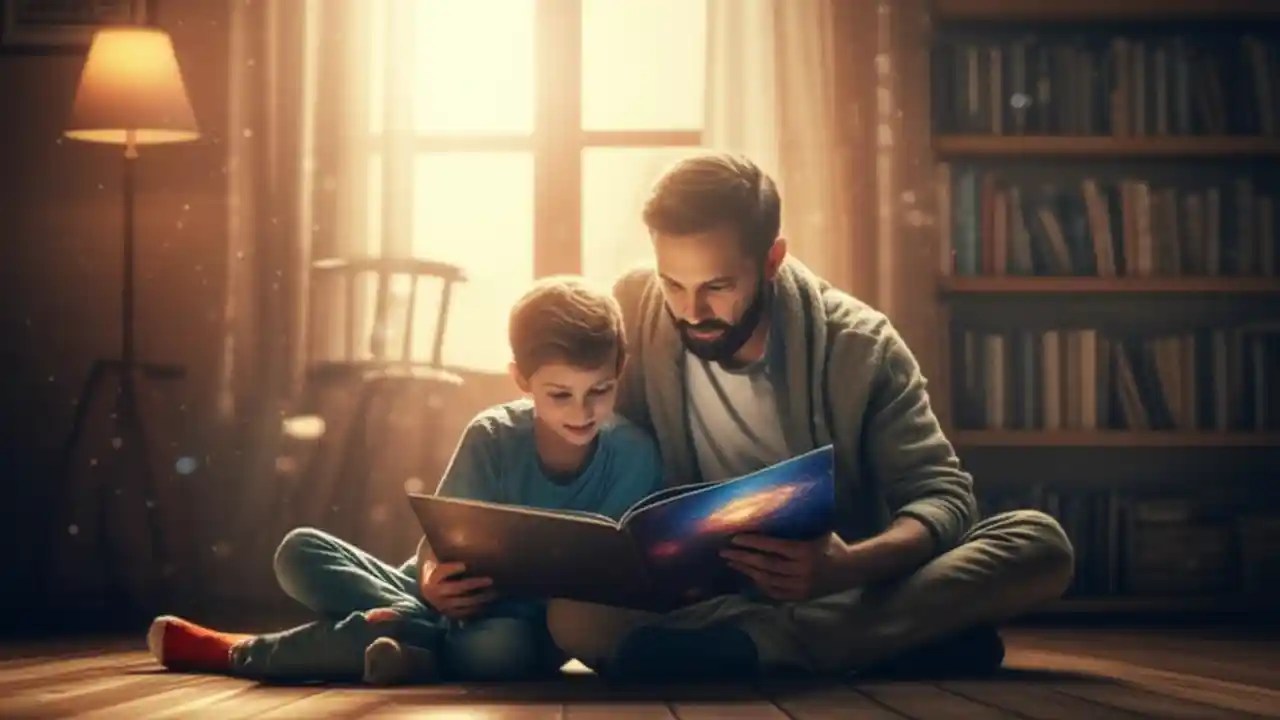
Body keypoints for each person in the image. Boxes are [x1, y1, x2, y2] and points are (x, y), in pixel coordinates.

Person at [546, 152, 1074, 681]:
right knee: (574, 618)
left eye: (717, 287)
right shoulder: (633, 311)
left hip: (842, 582)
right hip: (701, 595)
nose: (690, 311)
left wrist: (847, 567)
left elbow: (944, 498)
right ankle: (885, 640)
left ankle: (772, 643)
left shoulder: (860, 345)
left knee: (1039, 544)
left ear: (772, 259)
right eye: (673, 284)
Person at [147, 276, 663, 684]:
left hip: (521, 630)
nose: (582, 411)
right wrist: (432, 584)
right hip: (438, 601)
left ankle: (243, 651)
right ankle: (410, 637)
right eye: (560, 394)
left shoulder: (634, 455)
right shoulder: (491, 435)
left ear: (620, 369)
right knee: (297, 552)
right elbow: (440, 541)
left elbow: (615, 580)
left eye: (600, 390)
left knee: (496, 652)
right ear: (521, 381)